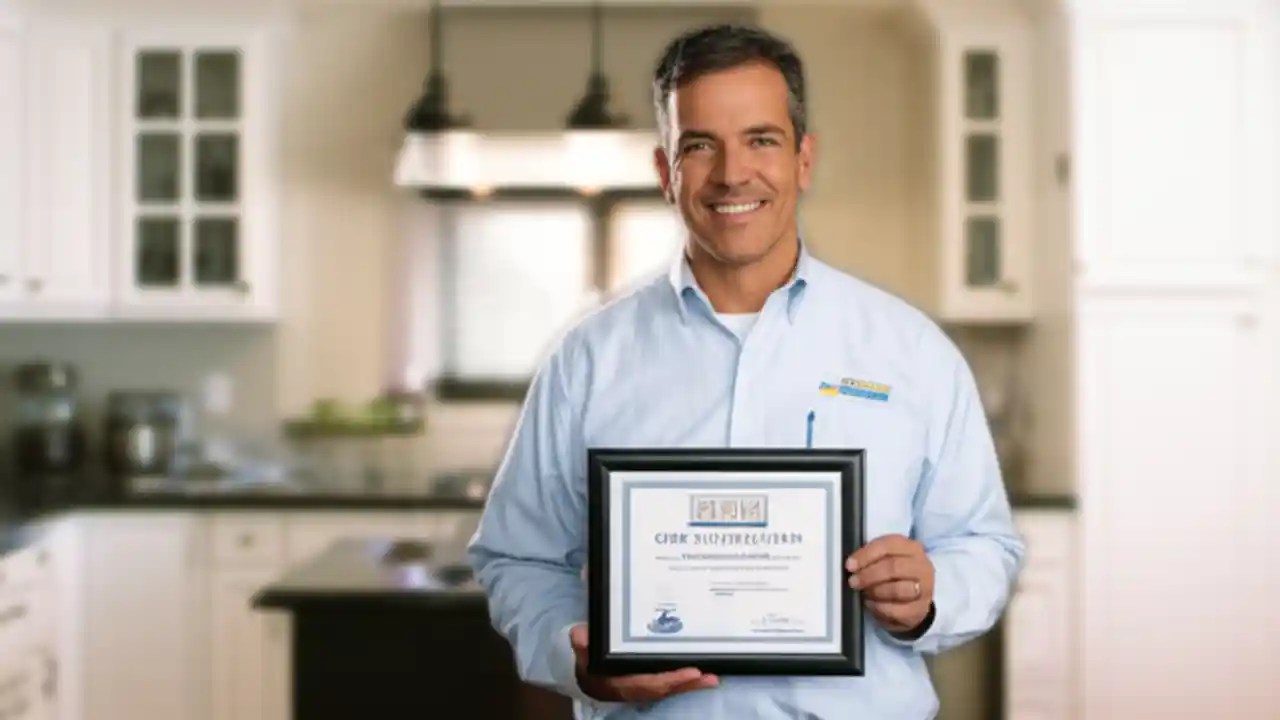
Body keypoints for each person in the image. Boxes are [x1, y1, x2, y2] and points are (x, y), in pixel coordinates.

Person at [466, 22, 1025, 719]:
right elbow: (518, 558)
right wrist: (573, 655)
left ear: (804, 160)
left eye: (761, 139)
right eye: (700, 145)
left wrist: (930, 594)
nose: (732, 173)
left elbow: (984, 543)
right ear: (666, 172)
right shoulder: (588, 360)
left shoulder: (909, 351)